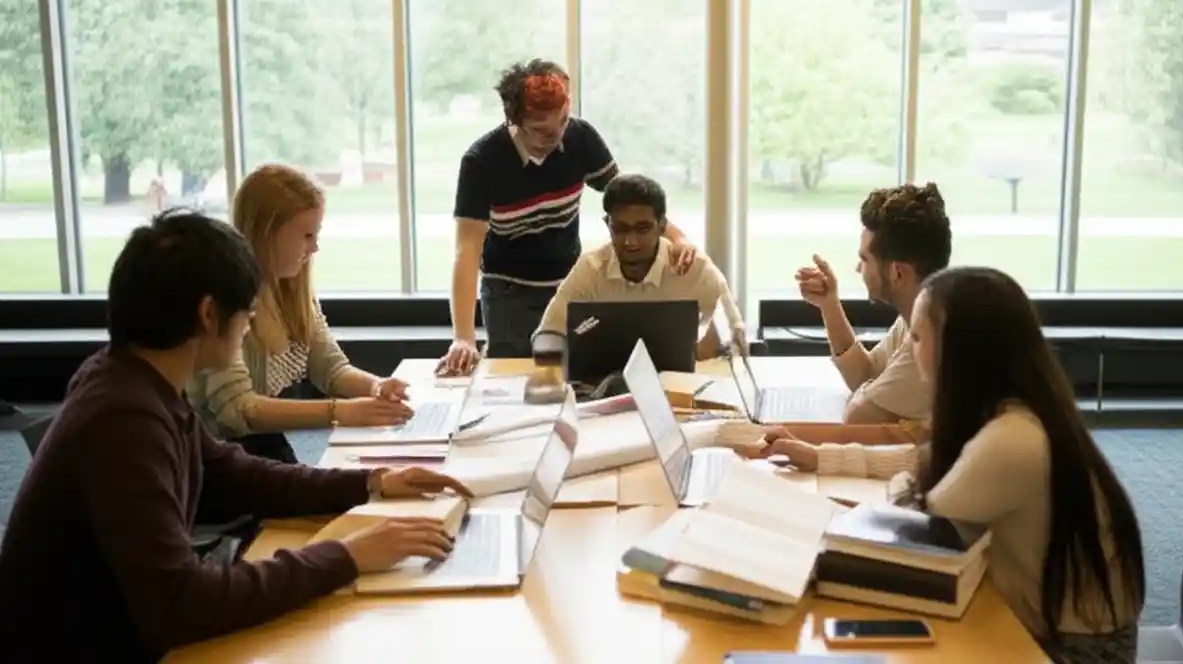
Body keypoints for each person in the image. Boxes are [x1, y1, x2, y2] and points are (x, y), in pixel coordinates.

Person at [0, 210, 473, 663]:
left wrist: (373, 483)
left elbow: (232, 473)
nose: (249, 325)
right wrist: (345, 556)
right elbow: (181, 605)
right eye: (247, 313)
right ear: (209, 315)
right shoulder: (123, 420)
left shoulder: (132, 379)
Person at [755, 267, 1146, 663]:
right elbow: (917, 463)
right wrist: (819, 456)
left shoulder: (1012, 439)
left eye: (918, 337)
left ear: (956, 351)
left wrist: (795, 520)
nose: (911, 345)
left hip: (1073, 650)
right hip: (1044, 617)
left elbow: (915, 531)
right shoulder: (1005, 410)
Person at [438, 58, 697, 373]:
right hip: (509, 292)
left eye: (562, 120)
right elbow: (467, 251)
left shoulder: (580, 137)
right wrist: (463, 338)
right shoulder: (481, 162)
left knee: (581, 372)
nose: (557, 134)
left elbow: (628, 200)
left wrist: (678, 238)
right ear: (514, 121)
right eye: (541, 129)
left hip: (569, 283)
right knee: (518, 377)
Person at [188, 164, 414, 464]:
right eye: (307, 235)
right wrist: (338, 412)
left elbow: (331, 369)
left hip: (261, 449)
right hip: (216, 461)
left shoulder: (294, 291)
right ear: (266, 234)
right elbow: (237, 410)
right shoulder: (228, 296)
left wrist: (375, 387)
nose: (315, 247)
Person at [781, 182, 951, 445]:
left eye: (865, 259)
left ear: (898, 273)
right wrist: (829, 305)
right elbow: (864, 374)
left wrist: (870, 393)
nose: (859, 269)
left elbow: (858, 418)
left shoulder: (933, 332)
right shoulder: (917, 311)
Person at [531, 173, 747, 360]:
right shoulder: (590, 269)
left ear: (662, 226)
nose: (630, 242)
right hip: (602, 388)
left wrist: (699, 355)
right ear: (608, 225)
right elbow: (548, 334)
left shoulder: (693, 268)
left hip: (684, 391)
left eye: (642, 229)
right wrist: (553, 363)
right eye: (621, 229)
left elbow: (736, 336)